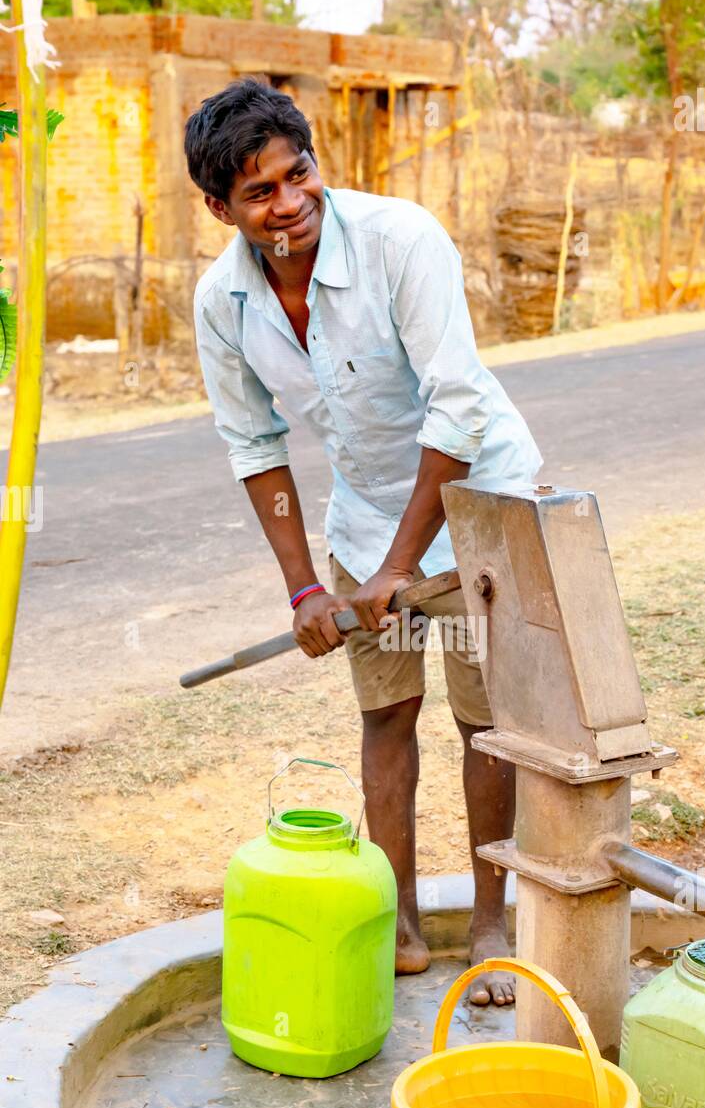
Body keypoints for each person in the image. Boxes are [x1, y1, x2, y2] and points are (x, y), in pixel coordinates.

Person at [185, 78, 542, 1006]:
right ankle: (401, 916)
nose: (289, 202)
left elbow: (457, 408)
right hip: (364, 515)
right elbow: (254, 447)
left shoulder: (399, 239)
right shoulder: (221, 302)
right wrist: (308, 590)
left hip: (476, 506)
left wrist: (401, 568)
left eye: (297, 174)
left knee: (483, 721)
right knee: (385, 712)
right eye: (259, 192)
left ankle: (493, 916)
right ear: (219, 207)